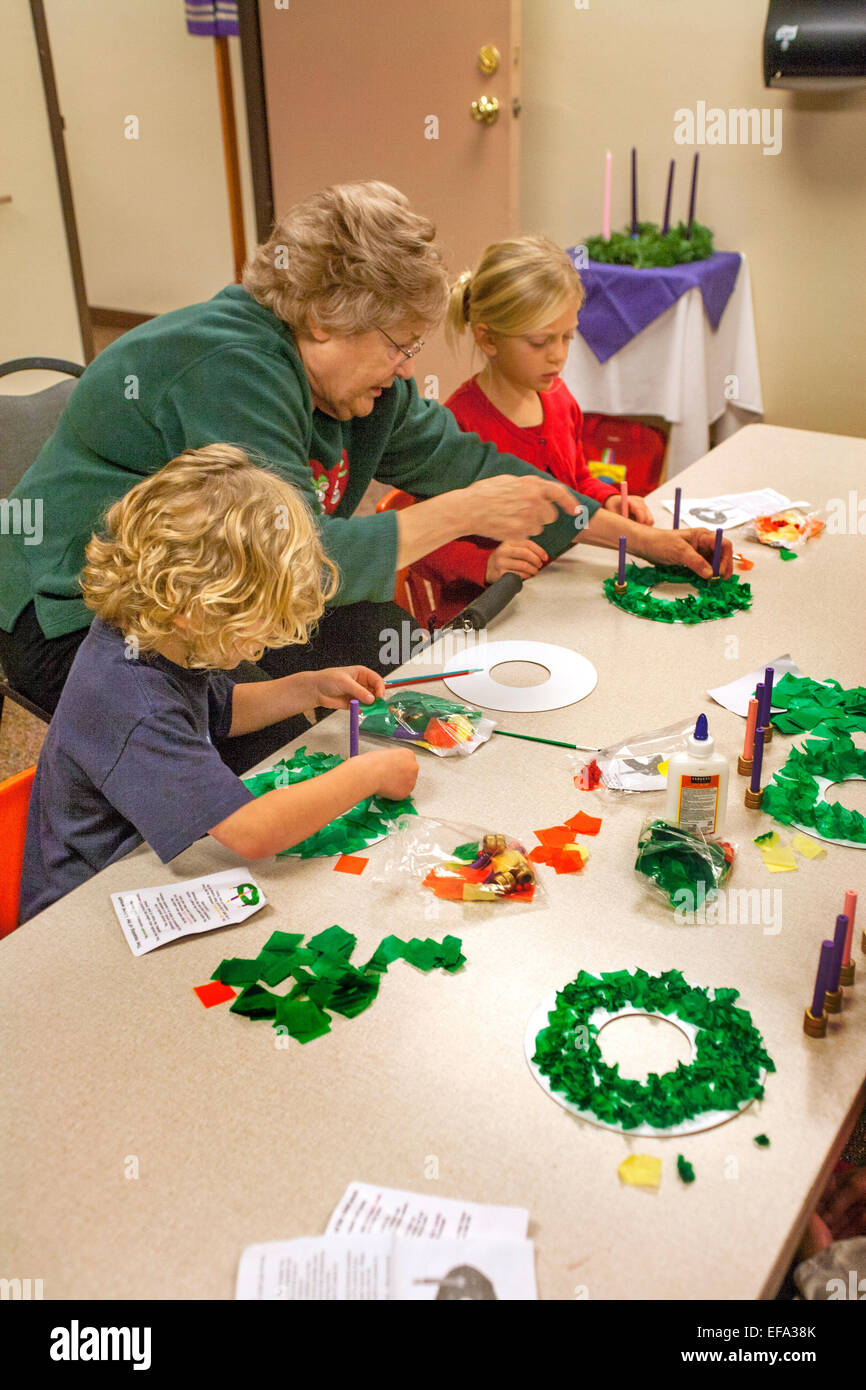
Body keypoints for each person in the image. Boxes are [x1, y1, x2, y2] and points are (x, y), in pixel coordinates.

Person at [0, 182, 728, 772]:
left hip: (212, 604)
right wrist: (464, 512)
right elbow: (293, 565)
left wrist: (636, 539)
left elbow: (475, 465)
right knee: (270, 746)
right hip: (78, 616)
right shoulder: (232, 370)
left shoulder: (362, 384)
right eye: (398, 346)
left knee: (387, 642)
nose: (408, 368)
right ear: (322, 319)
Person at [18, 447, 419, 923]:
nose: (264, 644)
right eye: (258, 625)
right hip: (89, 920)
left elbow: (220, 710)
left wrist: (307, 688)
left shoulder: (155, 637)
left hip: (155, 871)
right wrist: (368, 774)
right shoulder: (133, 700)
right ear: (195, 609)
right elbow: (254, 832)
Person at [413, 235, 655, 623]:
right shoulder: (458, 426)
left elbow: (576, 480)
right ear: (488, 338)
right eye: (540, 341)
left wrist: (607, 500)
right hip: (489, 613)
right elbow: (423, 545)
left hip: (559, 589)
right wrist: (484, 561)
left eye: (567, 337)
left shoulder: (559, 397)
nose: (558, 355)